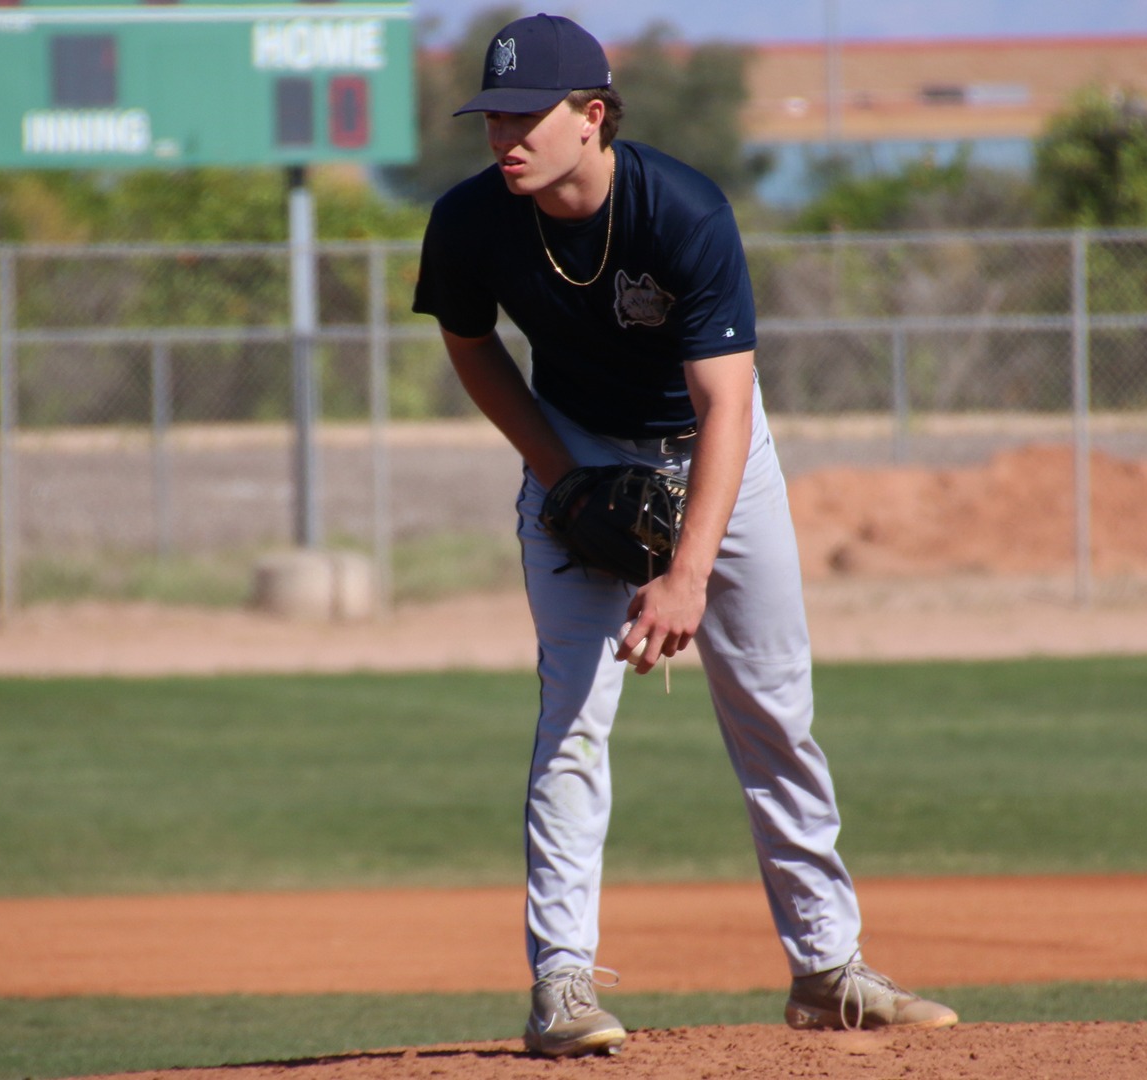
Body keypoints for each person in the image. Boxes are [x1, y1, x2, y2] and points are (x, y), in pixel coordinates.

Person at [411, 12, 958, 1059]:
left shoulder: (682, 211)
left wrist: (687, 576)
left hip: (717, 456)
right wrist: (564, 479)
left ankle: (826, 969)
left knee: (773, 710)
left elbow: (728, 406)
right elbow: (473, 348)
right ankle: (562, 983)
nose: (505, 135)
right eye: (494, 114)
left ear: (595, 115)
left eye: (530, 114)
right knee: (573, 712)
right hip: (576, 447)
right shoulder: (472, 219)